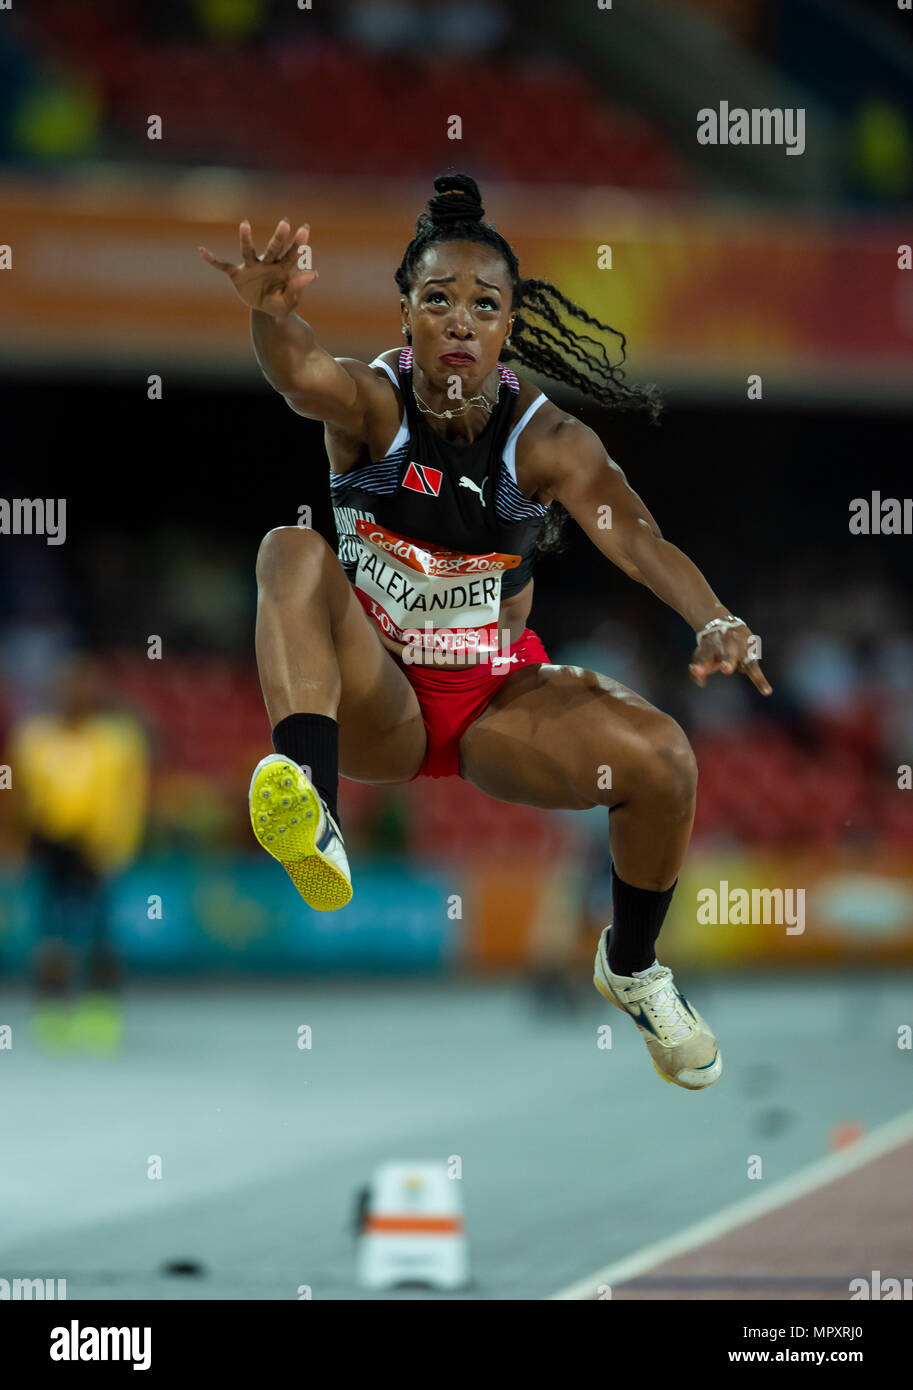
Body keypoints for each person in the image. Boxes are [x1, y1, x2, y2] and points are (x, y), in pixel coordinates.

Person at [200, 173, 772, 1090]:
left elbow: (637, 538)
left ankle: (632, 966)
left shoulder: (546, 442)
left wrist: (714, 617)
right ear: (406, 317)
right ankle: (314, 813)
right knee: (288, 550)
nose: (459, 321)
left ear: (509, 324)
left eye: (482, 304)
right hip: (379, 695)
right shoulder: (373, 406)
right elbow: (302, 373)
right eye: (436, 301)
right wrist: (269, 312)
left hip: (492, 699)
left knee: (664, 760)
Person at [5, 651, 149, 1053]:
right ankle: (52, 1011)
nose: (77, 691)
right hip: (50, 849)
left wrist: (116, 846)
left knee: (102, 933)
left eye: (86, 682)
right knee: (51, 933)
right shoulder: (34, 736)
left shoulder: (118, 738)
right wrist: (16, 845)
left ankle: (101, 1013)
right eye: (70, 683)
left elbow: (130, 796)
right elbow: (17, 795)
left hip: (100, 851)